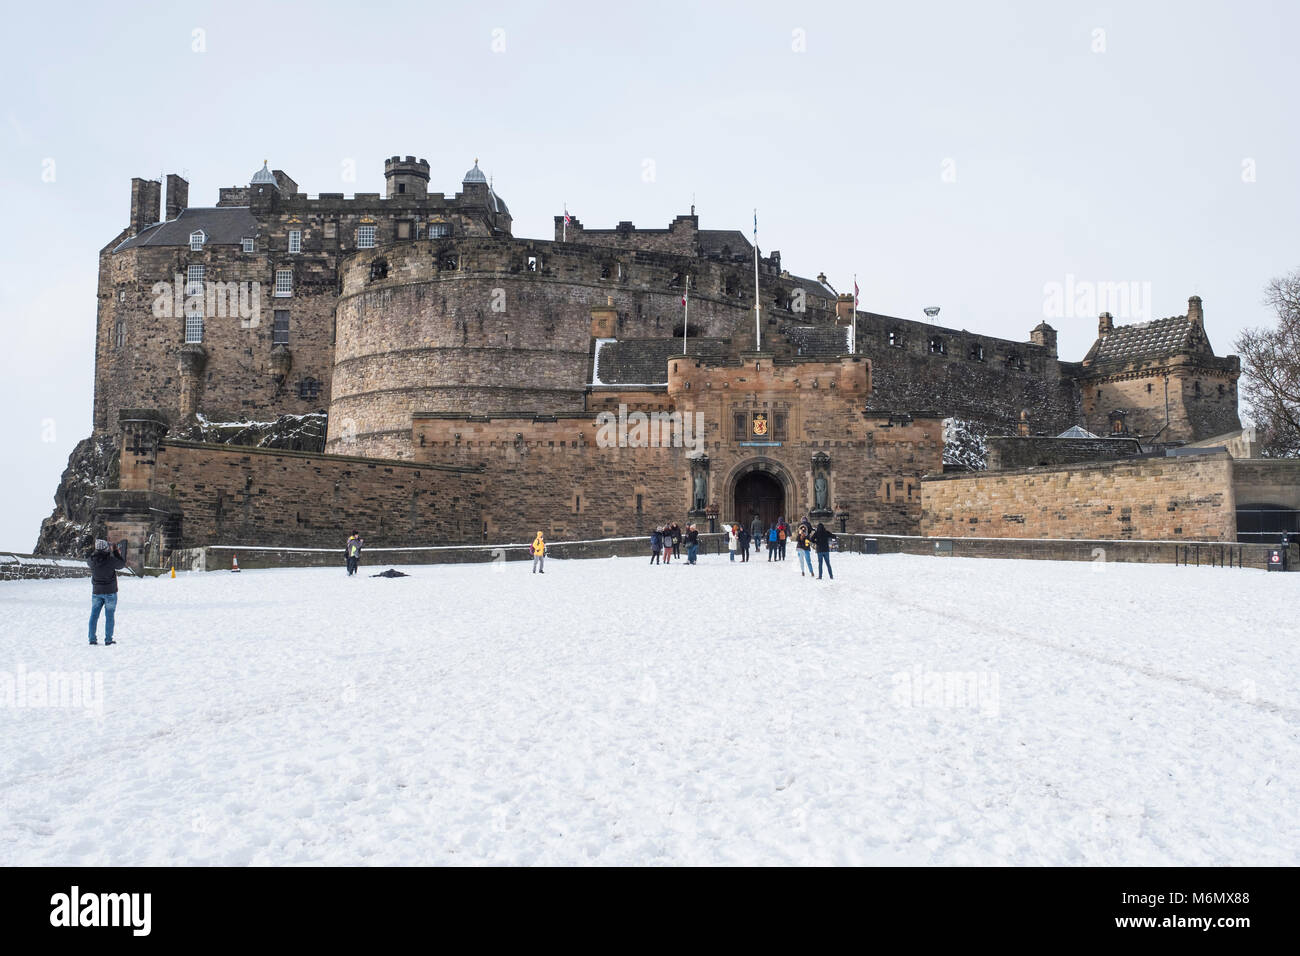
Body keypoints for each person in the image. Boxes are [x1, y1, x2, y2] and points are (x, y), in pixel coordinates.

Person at [87, 538, 126, 645]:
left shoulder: (91, 561)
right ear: (106, 549)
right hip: (110, 592)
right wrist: (114, 551)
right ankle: (108, 639)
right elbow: (122, 564)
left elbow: (90, 557)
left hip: (96, 592)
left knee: (94, 616)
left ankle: (92, 639)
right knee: (109, 616)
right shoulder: (110, 560)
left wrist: (97, 550)